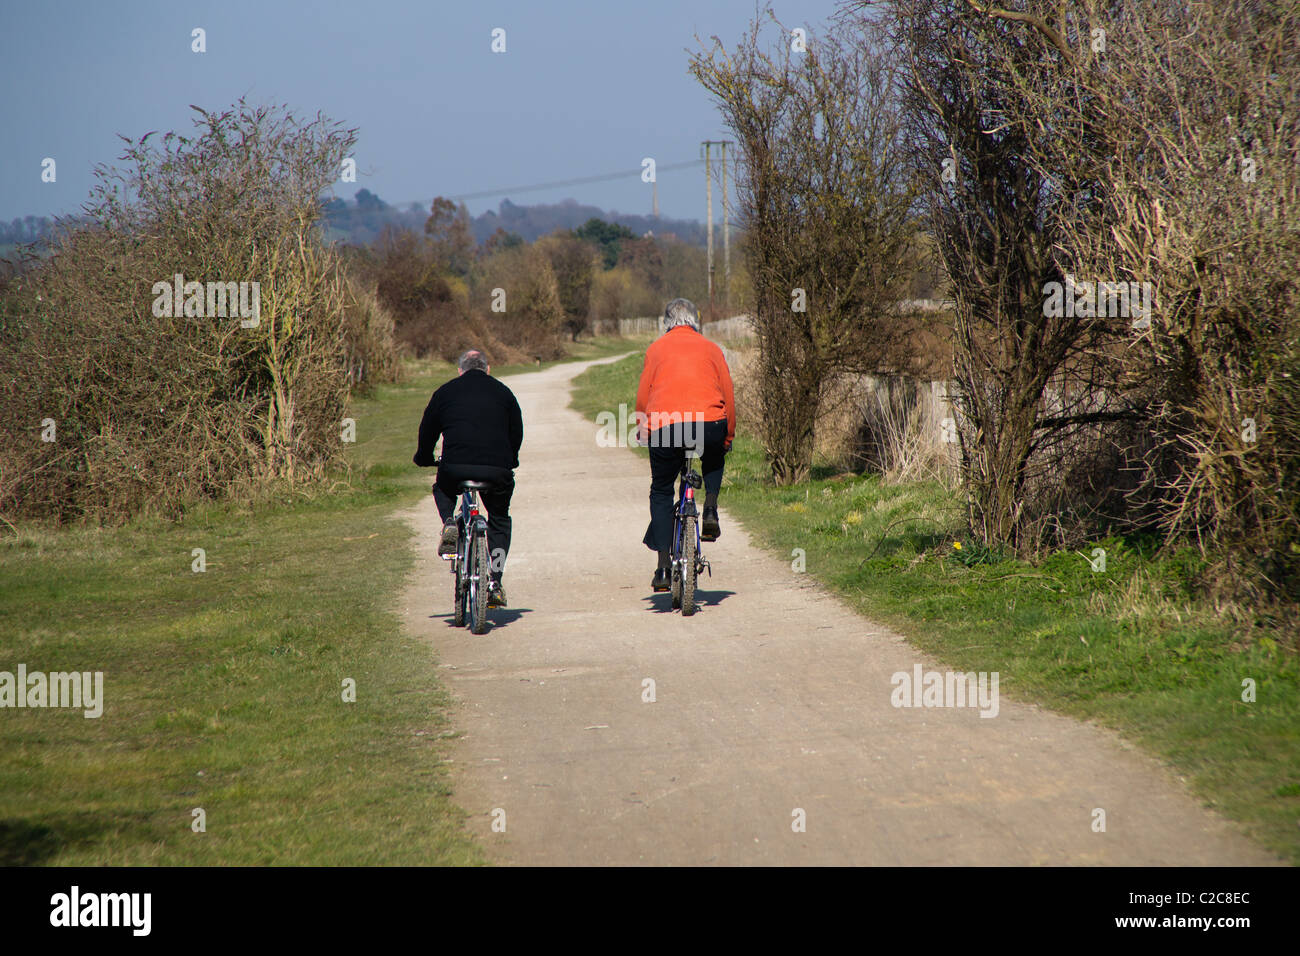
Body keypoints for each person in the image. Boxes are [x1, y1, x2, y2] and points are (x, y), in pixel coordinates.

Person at [635, 298, 736, 592]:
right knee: (714, 458)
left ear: (667, 323)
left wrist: (643, 428)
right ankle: (710, 511)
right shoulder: (712, 348)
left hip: (666, 428)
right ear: (695, 321)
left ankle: (664, 568)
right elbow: (728, 395)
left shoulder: (655, 350)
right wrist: (727, 436)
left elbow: (643, 396)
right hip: (709, 424)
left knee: (662, 488)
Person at [413, 349, 523, 608]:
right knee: (499, 520)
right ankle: (494, 581)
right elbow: (516, 431)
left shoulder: (445, 392)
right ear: (488, 369)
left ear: (460, 370)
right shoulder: (504, 392)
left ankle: (450, 521)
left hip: (455, 469)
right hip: (497, 471)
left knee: (442, 488)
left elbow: (427, 430)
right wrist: (511, 459)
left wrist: (424, 457)